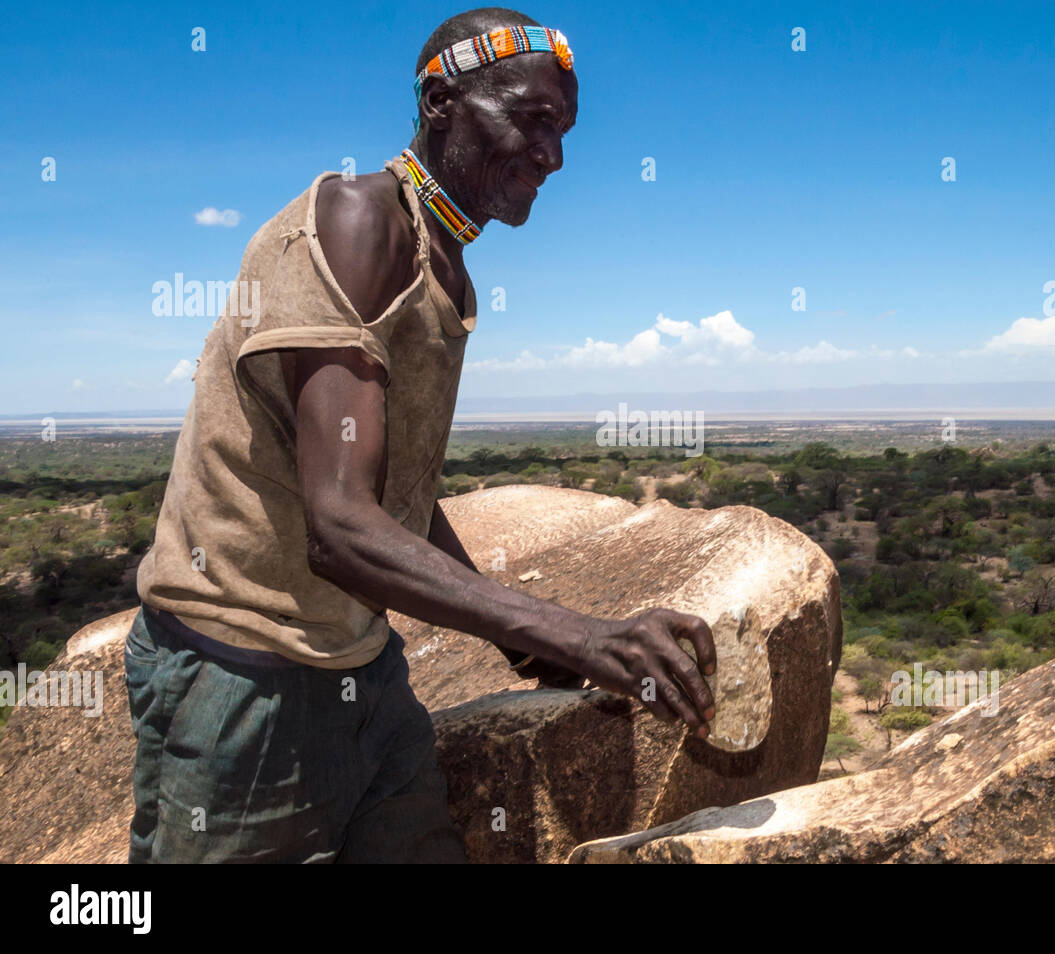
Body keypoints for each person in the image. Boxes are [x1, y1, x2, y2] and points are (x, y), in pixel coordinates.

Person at [125, 6, 716, 863]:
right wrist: (577, 634)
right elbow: (340, 527)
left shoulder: (445, 265)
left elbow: (395, 497)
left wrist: (521, 643)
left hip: (360, 668)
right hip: (243, 674)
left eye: (565, 131)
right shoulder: (356, 223)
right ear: (441, 104)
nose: (553, 156)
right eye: (532, 120)